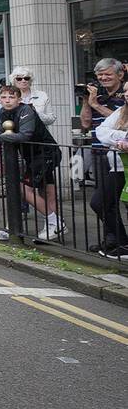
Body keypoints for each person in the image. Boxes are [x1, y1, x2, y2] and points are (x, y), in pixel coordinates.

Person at [0, 84, 63, 241]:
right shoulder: (4, 112)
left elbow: (24, 135)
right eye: (4, 97)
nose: (7, 100)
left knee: (24, 189)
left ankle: (55, 223)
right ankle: (51, 228)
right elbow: (1, 132)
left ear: (19, 99)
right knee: (47, 190)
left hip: (46, 154)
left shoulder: (26, 111)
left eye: (11, 97)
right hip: (31, 156)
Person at [93, 105, 128, 258]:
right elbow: (101, 131)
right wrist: (123, 137)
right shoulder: (122, 110)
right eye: (126, 91)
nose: (126, 94)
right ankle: (122, 242)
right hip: (119, 166)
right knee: (99, 202)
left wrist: (115, 137)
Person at [78, 57, 125, 131]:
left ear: (120, 75)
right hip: (97, 142)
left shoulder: (126, 95)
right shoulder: (96, 95)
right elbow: (85, 124)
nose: (103, 78)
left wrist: (95, 105)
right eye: (100, 74)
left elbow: (124, 122)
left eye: (108, 74)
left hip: (119, 142)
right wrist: (86, 99)